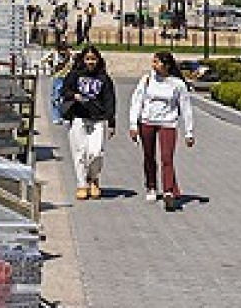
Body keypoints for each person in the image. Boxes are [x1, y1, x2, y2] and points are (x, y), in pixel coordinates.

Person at [128, 52, 195, 211]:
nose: (153, 65)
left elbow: (186, 107)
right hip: (147, 122)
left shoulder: (177, 84)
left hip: (168, 123)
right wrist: (133, 124)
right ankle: (151, 186)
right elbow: (136, 101)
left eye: (156, 62)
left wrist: (189, 132)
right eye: (153, 62)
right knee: (149, 155)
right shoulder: (147, 80)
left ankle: (168, 191)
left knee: (167, 157)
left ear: (167, 65)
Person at [60, 45, 116, 200]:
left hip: (98, 119)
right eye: (87, 59)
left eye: (93, 59)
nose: (90, 62)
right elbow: (64, 91)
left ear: (98, 60)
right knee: (79, 152)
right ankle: (82, 184)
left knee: (96, 152)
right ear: (82, 60)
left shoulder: (104, 78)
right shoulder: (74, 75)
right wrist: (74, 95)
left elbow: (110, 100)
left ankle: (93, 178)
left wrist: (111, 122)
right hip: (78, 118)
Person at [41, 42, 74, 125]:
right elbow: (43, 60)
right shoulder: (54, 55)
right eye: (61, 50)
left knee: (66, 99)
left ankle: (65, 116)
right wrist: (50, 65)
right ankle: (56, 117)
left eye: (64, 50)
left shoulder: (70, 55)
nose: (62, 52)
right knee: (56, 98)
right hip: (57, 78)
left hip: (68, 79)